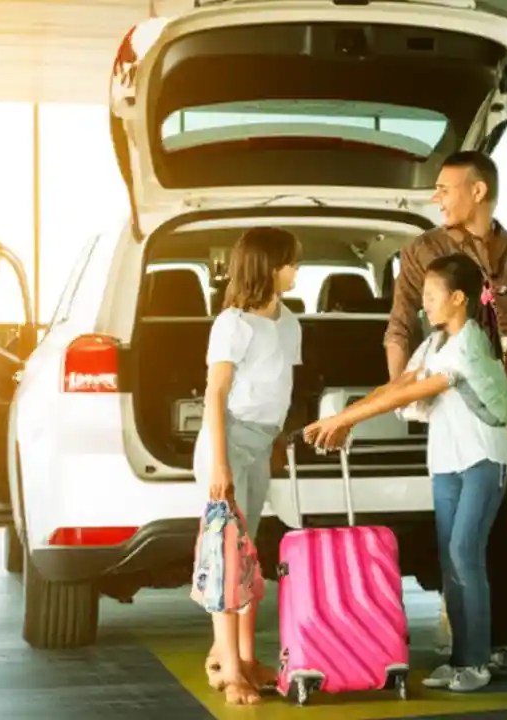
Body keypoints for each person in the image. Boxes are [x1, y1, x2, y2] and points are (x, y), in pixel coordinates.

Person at [384, 150, 507, 670]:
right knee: (475, 528)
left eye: (445, 188)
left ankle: (504, 637)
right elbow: (400, 326)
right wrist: (401, 391)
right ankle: (479, 640)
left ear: (478, 191)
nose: (436, 197)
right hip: (460, 398)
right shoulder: (423, 250)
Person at [306, 253, 507, 692]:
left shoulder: (467, 345)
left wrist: (344, 420)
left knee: (464, 553)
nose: (425, 303)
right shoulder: (434, 342)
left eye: (433, 295)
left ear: (459, 298)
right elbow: (397, 386)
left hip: (483, 460)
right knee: (450, 560)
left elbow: (413, 393)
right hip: (447, 462)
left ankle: (477, 662)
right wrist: (343, 418)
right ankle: (460, 660)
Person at [190, 226, 302, 704]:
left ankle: (243, 658)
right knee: (227, 557)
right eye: (291, 262)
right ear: (268, 267)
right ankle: (230, 670)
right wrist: (220, 465)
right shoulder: (232, 324)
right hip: (229, 441)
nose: (297, 269)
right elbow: (215, 394)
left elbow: (279, 387)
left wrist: (274, 443)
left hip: (260, 442)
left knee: (248, 554)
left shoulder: (289, 322)